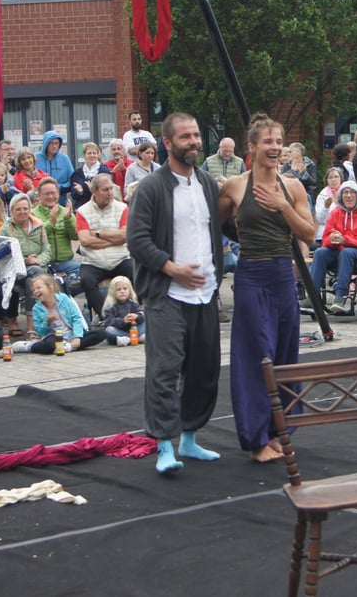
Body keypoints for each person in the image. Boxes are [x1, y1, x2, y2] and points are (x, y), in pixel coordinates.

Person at [129, 112, 226, 473]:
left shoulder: (207, 184)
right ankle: (164, 446)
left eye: (197, 135)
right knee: (165, 370)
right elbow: (136, 241)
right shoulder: (152, 188)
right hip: (166, 294)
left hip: (206, 295)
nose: (194, 142)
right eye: (185, 137)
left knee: (204, 370)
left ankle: (190, 440)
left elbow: (224, 228)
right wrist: (172, 268)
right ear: (167, 143)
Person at [218, 112, 315, 463]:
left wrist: (281, 207)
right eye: (269, 143)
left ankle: (280, 430)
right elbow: (218, 224)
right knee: (255, 357)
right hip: (250, 277)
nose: (276, 148)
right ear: (252, 147)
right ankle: (256, 438)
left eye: (280, 143)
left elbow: (309, 233)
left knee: (286, 355)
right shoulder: (234, 186)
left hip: (283, 278)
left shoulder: (292, 187)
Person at [309, 180, 357, 313]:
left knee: (346, 252)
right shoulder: (336, 212)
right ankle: (312, 295)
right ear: (341, 196)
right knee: (319, 252)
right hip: (339, 250)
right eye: (345, 192)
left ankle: (340, 297)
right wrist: (332, 239)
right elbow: (326, 237)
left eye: (352, 192)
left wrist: (344, 239)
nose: (348, 196)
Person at [75, 174, 134, 321]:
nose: (109, 193)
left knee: (136, 272)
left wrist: (98, 233)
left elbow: (125, 236)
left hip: (120, 258)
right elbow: (85, 240)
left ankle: (135, 312)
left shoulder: (122, 208)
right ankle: (106, 316)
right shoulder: (82, 211)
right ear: (94, 191)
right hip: (93, 261)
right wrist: (114, 239)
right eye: (105, 190)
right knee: (86, 280)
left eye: (111, 189)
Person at [11, 274, 105, 354]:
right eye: (34, 290)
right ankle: (31, 346)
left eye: (39, 288)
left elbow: (76, 318)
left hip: (71, 335)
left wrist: (77, 337)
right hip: (53, 338)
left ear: (50, 287)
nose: (36, 291)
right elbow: (40, 331)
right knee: (49, 345)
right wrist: (47, 322)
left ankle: (69, 346)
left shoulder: (63, 298)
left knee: (101, 334)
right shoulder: (37, 308)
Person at [0, 193, 50, 338]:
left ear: (30, 209)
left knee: (32, 281)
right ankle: (33, 327)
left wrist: (39, 260)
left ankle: (32, 327)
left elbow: (47, 249)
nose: (22, 212)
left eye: (25, 209)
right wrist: (25, 261)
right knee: (35, 276)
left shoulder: (39, 225)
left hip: (37, 268)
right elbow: (6, 256)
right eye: (18, 209)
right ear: (12, 211)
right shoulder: (7, 229)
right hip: (16, 271)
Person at [31, 177, 80, 290]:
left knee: (86, 274)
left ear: (58, 194)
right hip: (44, 264)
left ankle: (65, 298)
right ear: (39, 196)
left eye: (53, 193)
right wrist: (51, 220)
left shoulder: (65, 211)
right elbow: (37, 237)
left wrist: (68, 219)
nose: (51, 197)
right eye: (46, 194)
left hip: (66, 262)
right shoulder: (32, 214)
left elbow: (75, 236)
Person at [101, 275, 145, 346]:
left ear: (129, 291)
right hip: (119, 331)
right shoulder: (110, 306)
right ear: (113, 292)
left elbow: (141, 314)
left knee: (146, 321)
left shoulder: (133, 303)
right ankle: (135, 338)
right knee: (108, 330)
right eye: (118, 289)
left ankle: (127, 340)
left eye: (125, 289)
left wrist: (136, 316)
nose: (122, 291)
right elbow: (108, 322)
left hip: (133, 329)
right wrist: (123, 321)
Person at [36, 131, 76, 205]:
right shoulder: (35, 158)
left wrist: (58, 187)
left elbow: (72, 180)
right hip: (39, 202)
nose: (54, 146)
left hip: (61, 201)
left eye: (57, 143)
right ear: (46, 143)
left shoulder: (64, 159)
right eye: (52, 143)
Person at [69, 142, 111, 209]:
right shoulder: (77, 173)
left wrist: (91, 190)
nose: (92, 155)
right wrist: (80, 192)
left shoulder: (104, 172)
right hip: (82, 208)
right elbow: (73, 194)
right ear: (84, 155)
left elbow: (107, 192)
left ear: (98, 155)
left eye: (94, 153)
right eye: (89, 153)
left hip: (101, 207)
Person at [313, 167, 344, 244]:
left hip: (343, 232)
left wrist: (337, 203)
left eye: (336, 177)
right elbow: (320, 219)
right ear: (327, 180)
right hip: (325, 232)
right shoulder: (322, 195)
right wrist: (326, 207)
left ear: (341, 178)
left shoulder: (346, 192)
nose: (333, 180)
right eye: (330, 177)